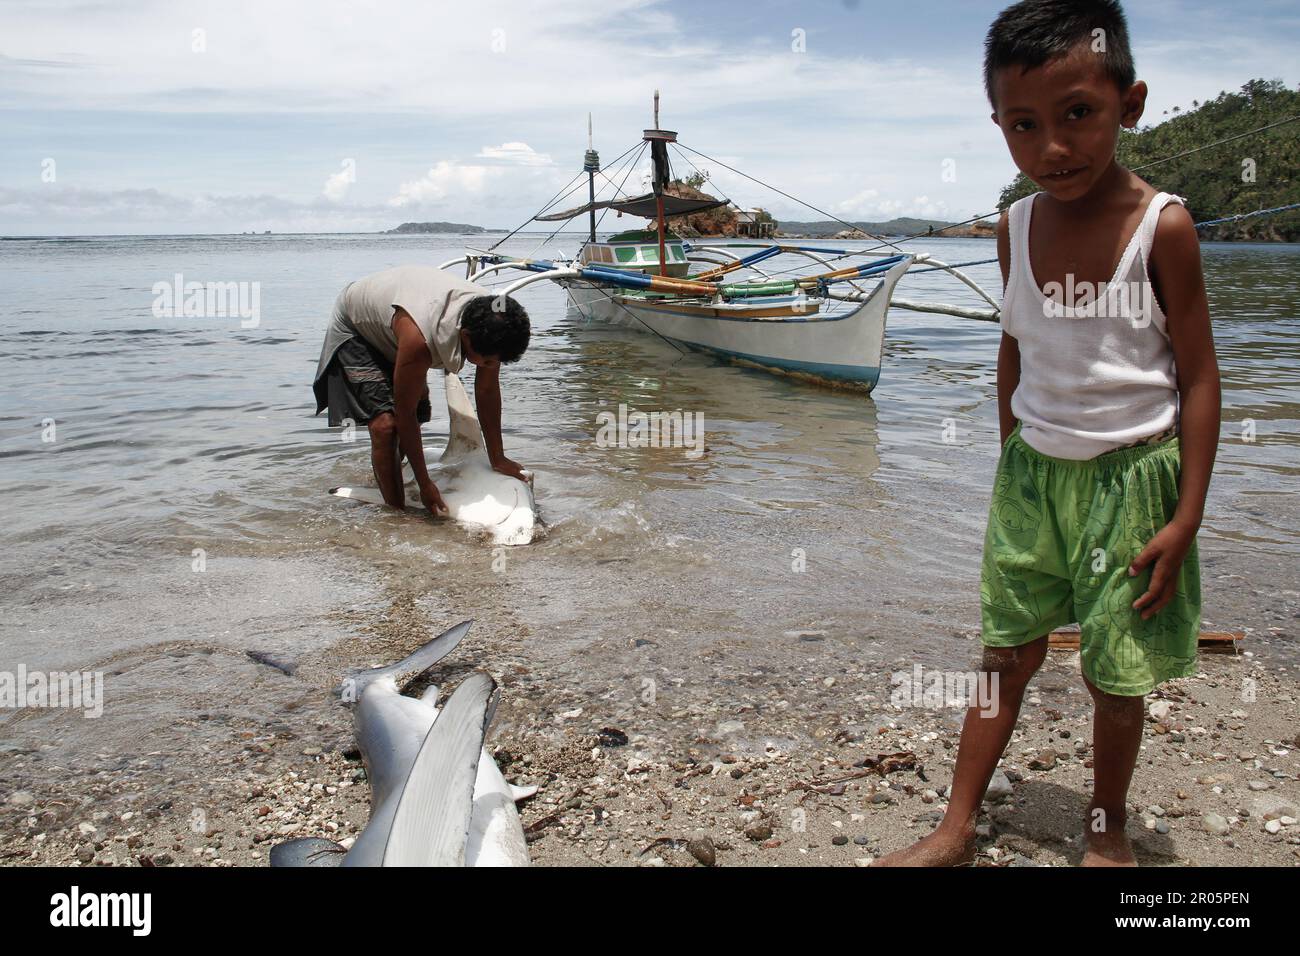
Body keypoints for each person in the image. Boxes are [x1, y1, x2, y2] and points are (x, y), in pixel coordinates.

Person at [876, 0, 1220, 867]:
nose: (1053, 148)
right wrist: (1011, 456)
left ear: (1129, 104)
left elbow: (1200, 377)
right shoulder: (1016, 226)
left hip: (1132, 480)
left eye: (1079, 115)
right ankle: (957, 826)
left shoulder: (1162, 227)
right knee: (1004, 653)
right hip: (1033, 476)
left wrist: (1184, 519)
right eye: (1024, 125)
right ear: (997, 125)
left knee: (1114, 674)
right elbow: (1014, 344)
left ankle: (1107, 830)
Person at [313, 265, 531, 513]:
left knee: (418, 415)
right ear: (466, 336)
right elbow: (403, 412)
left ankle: (392, 474)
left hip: (399, 321)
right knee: (387, 426)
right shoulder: (420, 339)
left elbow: (487, 392)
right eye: (489, 361)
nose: (492, 367)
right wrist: (424, 482)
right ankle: (395, 514)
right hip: (357, 325)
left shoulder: (494, 320)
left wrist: (498, 458)